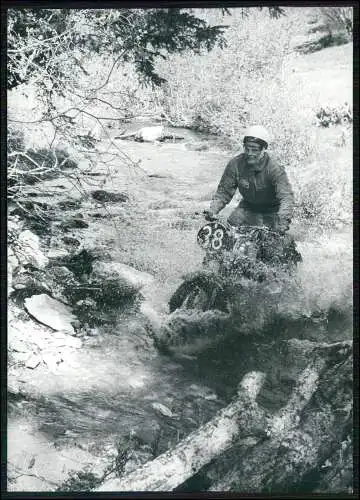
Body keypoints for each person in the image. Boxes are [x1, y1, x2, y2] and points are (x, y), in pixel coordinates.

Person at [205, 125, 294, 234]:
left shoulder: (274, 169)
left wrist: (283, 222)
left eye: (254, 150)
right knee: (229, 234)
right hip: (247, 208)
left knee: (270, 244)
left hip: (272, 211)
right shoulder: (235, 164)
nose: (249, 153)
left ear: (263, 150)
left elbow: (286, 198)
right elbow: (223, 192)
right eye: (246, 149)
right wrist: (213, 210)